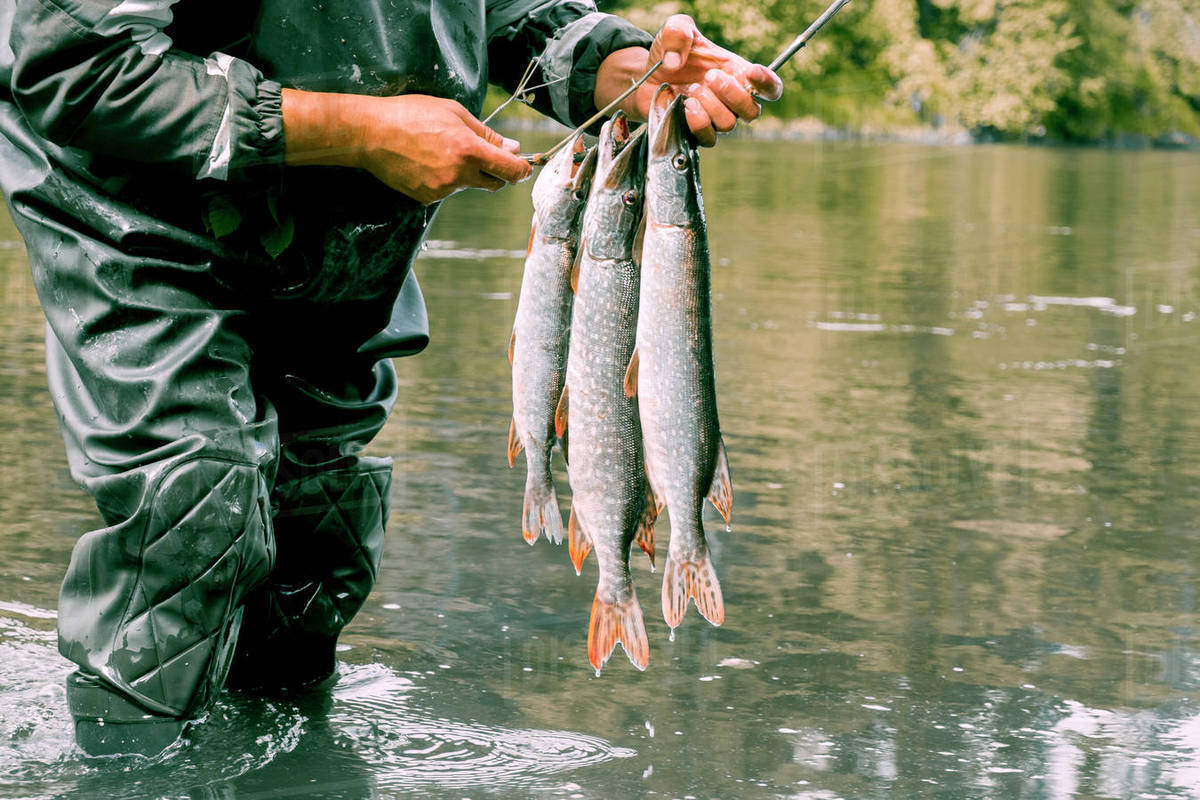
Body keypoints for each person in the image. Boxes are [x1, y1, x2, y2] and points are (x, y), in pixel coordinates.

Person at [0, 0, 782, 757]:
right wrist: (364, 130)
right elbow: (75, 64)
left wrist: (620, 67)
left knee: (317, 534)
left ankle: (279, 767)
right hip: (141, 214)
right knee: (199, 511)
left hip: (339, 230)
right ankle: (129, 773)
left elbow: (500, 13)